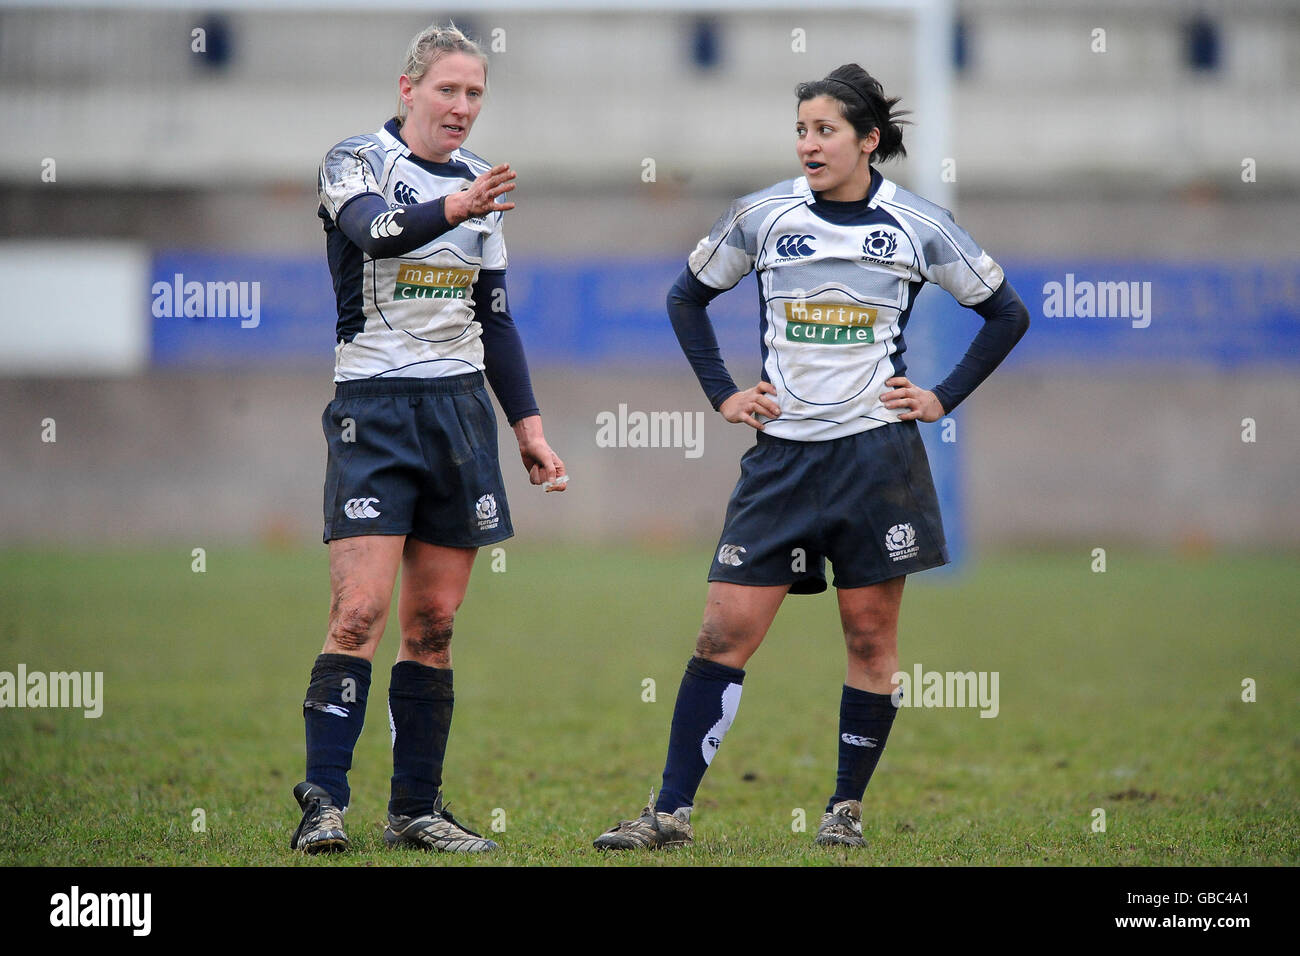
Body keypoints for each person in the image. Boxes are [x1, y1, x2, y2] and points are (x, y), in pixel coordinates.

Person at [593, 64, 1028, 850]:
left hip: (876, 461)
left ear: (868, 140)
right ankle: (668, 813)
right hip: (782, 463)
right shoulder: (763, 216)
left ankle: (845, 811)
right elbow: (686, 295)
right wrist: (724, 393)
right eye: (800, 130)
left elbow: (1005, 312)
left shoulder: (916, 225)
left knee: (869, 641)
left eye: (825, 130)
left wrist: (941, 397)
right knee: (722, 632)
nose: (808, 145)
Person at [291, 22, 566, 855]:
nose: (463, 106)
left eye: (475, 93)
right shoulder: (354, 162)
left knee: (435, 623)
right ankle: (324, 803)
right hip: (374, 411)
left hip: (459, 418)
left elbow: (496, 318)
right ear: (408, 89)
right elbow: (377, 230)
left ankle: (416, 808)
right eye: (448, 89)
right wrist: (454, 205)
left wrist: (530, 430)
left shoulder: (484, 183)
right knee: (359, 612)